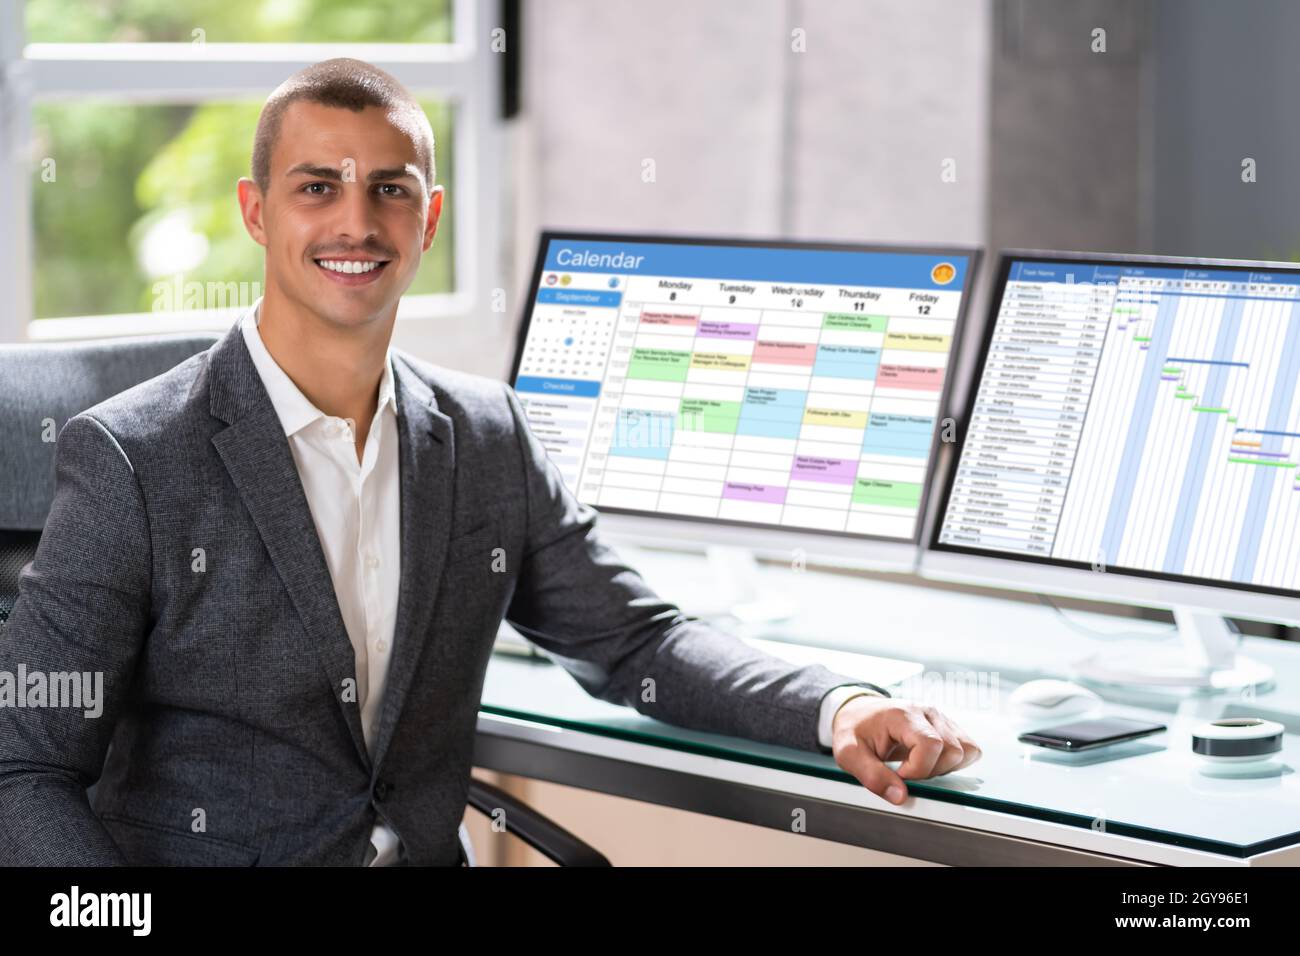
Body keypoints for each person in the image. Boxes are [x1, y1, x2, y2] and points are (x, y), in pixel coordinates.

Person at [0, 58, 979, 866]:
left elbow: (636, 645)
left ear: (426, 220)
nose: (355, 222)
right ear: (258, 214)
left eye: (388, 189)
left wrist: (838, 703)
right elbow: (25, 764)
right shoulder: (136, 458)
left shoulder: (484, 436)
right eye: (316, 188)